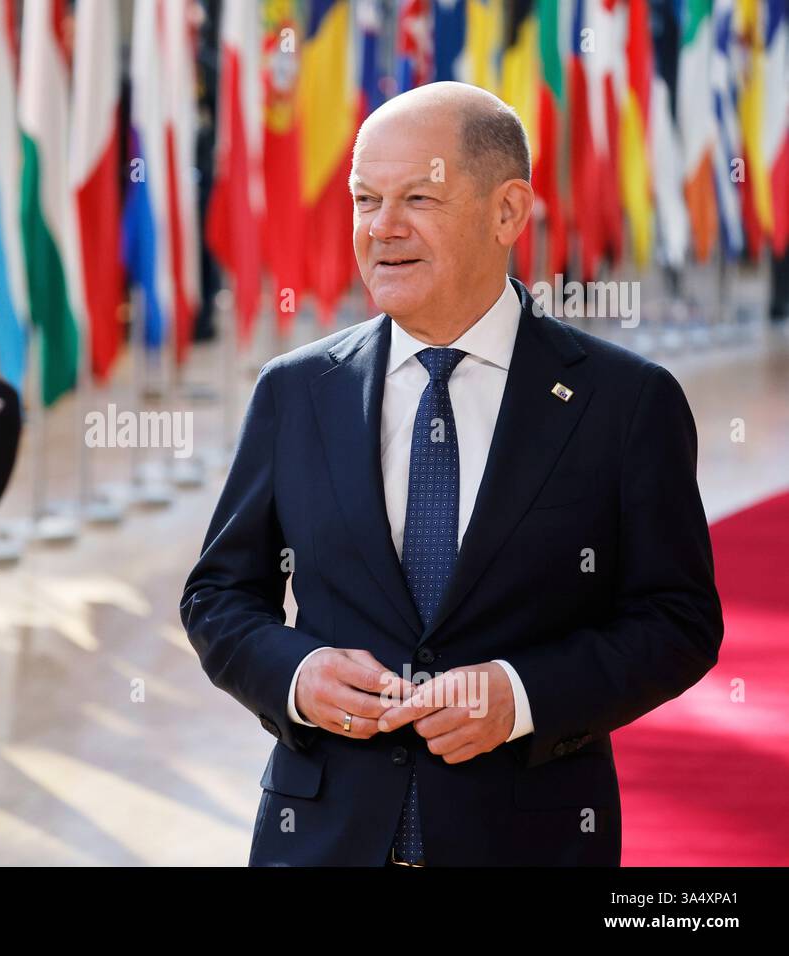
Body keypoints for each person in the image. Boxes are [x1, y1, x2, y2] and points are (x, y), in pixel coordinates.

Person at [180, 82, 723, 866]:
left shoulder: (624, 402)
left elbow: (678, 621)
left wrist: (520, 696)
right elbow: (219, 596)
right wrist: (299, 674)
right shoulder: (295, 390)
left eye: (418, 198)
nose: (382, 228)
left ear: (508, 212)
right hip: (320, 841)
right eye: (365, 199)